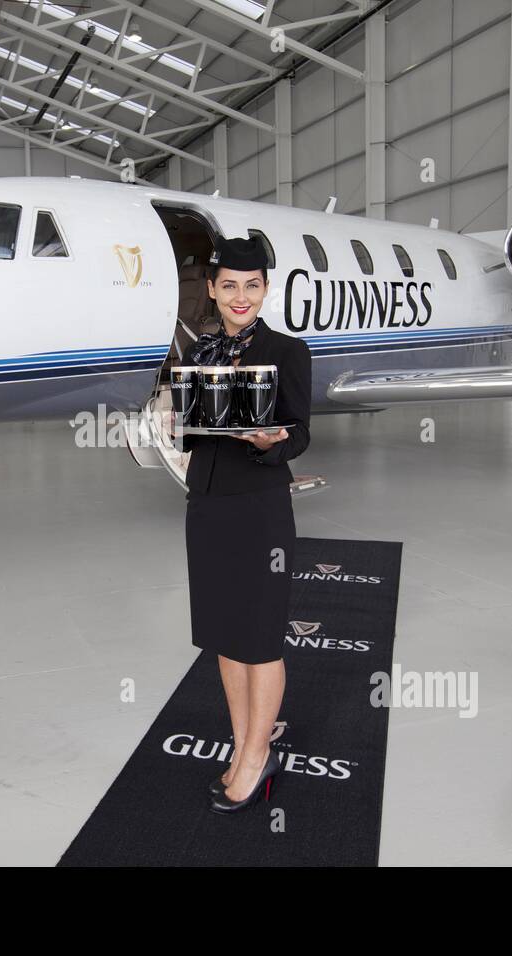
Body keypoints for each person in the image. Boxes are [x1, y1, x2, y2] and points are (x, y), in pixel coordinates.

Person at [173, 235, 312, 814]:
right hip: (206, 505)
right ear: (213, 289)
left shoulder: (287, 350)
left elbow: (300, 433)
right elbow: (188, 431)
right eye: (229, 285)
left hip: (258, 508)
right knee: (225, 639)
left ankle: (258, 756)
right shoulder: (199, 352)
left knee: (258, 639)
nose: (240, 296)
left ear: (265, 289)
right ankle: (240, 744)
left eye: (251, 286)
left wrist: (268, 442)